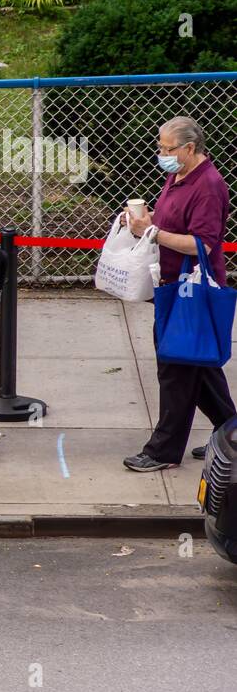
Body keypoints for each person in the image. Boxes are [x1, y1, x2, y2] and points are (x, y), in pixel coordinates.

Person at [123, 117, 234, 472]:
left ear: (189, 148)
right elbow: (172, 220)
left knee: (175, 368)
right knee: (195, 364)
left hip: (192, 290)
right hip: (173, 286)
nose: (162, 154)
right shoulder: (179, 175)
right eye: (160, 146)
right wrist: (144, 221)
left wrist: (152, 232)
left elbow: (202, 243)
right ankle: (232, 432)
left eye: (167, 149)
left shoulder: (209, 186)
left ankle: (163, 451)